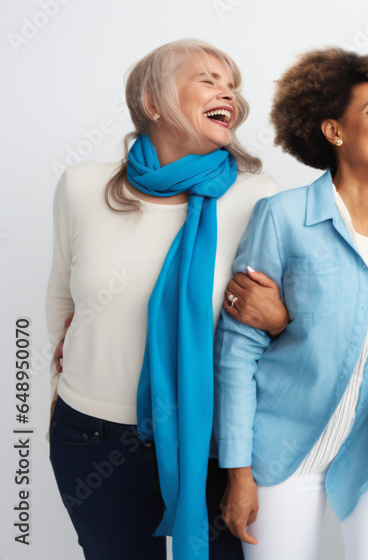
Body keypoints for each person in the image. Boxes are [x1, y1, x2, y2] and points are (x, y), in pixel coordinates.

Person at [45, 38, 274, 560]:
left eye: (233, 85)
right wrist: (56, 388)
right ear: (153, 102)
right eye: (209, 80)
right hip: (92, 437)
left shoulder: (258, 197)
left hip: (213, 440)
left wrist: (280, 318)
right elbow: (61, 303)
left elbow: (284, 325)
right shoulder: (82, 186)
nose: (228, 93)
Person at [213, 48, 368, 560]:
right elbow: (237, 351)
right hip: (281, 448)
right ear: (334, 131)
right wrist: (238, 472)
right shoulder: (281, 216)